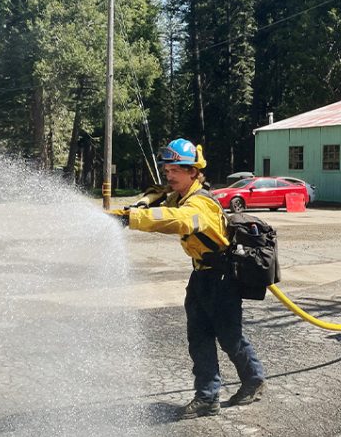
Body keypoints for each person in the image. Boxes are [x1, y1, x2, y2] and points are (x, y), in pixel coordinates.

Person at [109, 138, 266, 419]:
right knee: (199, 338)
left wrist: (132, 218)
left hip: (222, 279)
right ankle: (207, 398)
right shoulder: (179, 194)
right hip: (201, 277)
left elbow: (177, 219)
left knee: (230, 338)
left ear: (193, 172)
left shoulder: (199, 204)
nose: (168, 176)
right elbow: (157, 194)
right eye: (167, 170)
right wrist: (142, 203)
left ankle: (253, 380)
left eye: (175, 171)